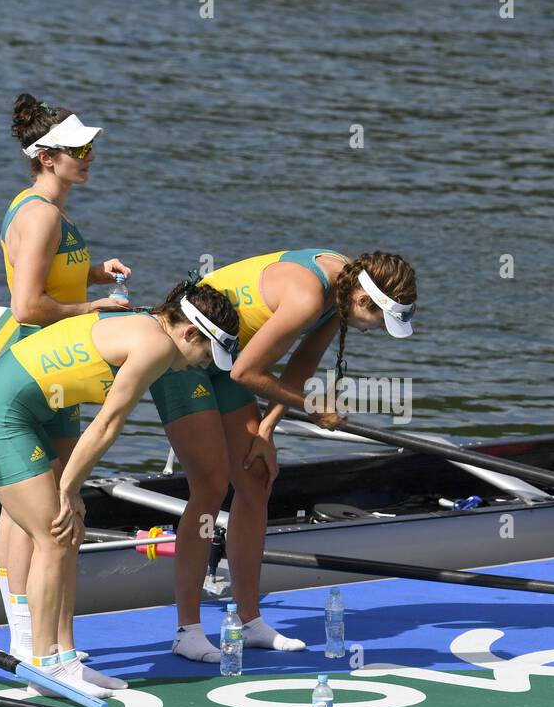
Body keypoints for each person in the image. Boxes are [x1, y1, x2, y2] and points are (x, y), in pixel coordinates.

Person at [0, 284, 240, 701]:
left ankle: (66, 659)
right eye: (205, 355)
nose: (201, 365)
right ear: (189, 334)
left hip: (32, 409)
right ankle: (44, 666)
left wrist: (71, 490)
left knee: (69, 532)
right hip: (1, 416)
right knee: (54, 537)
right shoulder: (157, 348)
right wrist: (69, 489)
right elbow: (108, 423)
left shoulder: (149, 324)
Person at [150, 250, 417, 663]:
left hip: (230, 357)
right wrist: (314, 408)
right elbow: (247, 375)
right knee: (210, 485)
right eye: (380, 320)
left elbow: (302, 364)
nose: (377, 329)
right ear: (364, 301)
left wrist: (268, 429)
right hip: (186, 351)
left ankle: (249, 620)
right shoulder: (310, 296)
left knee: (256, 478)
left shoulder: (343, 284)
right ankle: (188, 629)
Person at [0, 93, 133, 660]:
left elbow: (53, 277)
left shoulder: (46, 208)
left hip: (55, 366)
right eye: (77, 148)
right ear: (46, 157)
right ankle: (34, 641)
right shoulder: (40, 213)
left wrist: (95, 275)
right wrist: (93, 312)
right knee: (52, 511)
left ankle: (31, 637)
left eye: (90, 146)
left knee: (20, 509)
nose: (89, 155)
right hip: (43, 367)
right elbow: (26, 305)